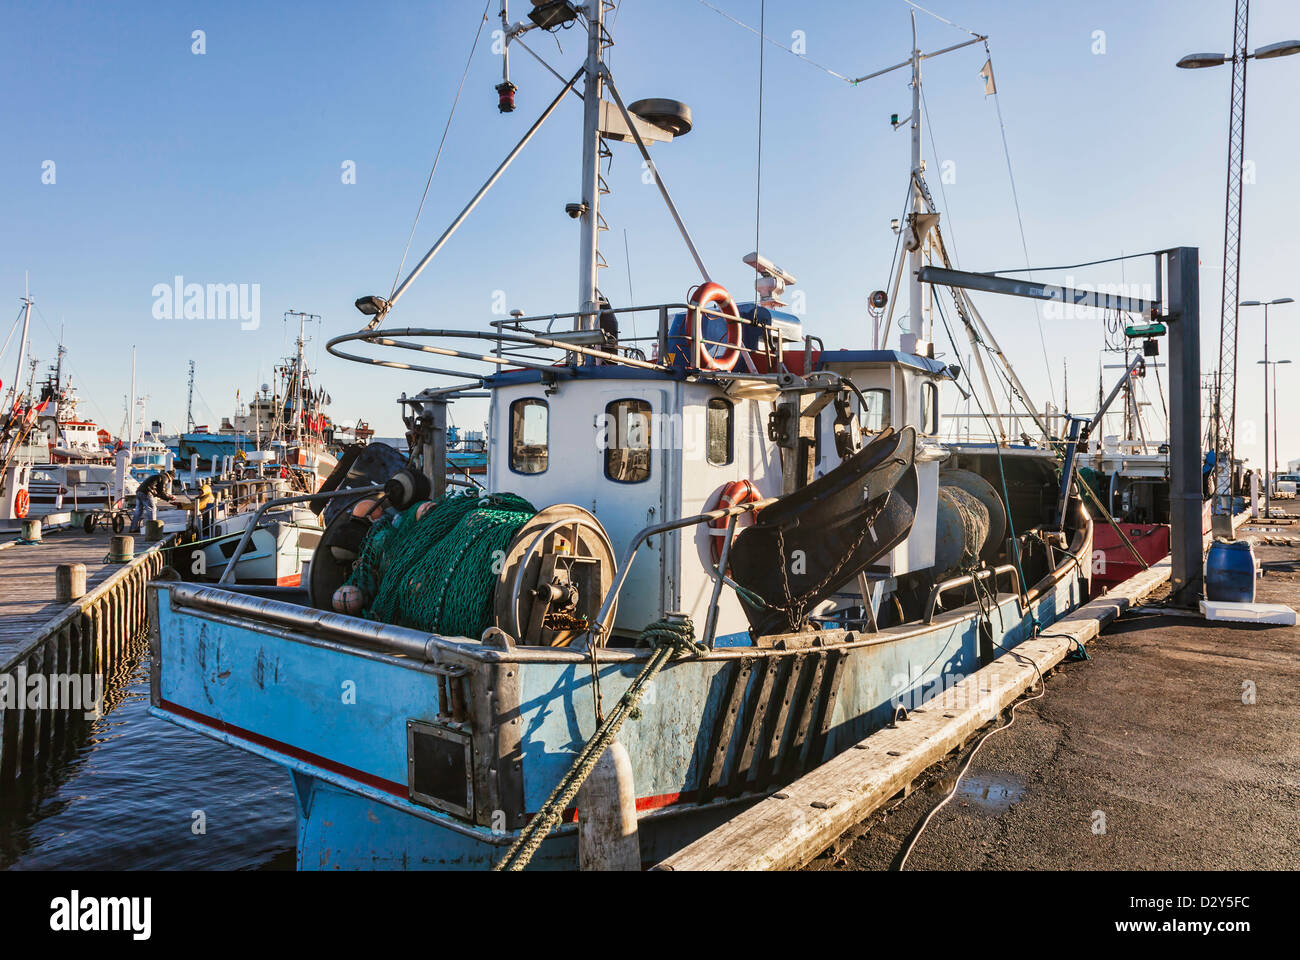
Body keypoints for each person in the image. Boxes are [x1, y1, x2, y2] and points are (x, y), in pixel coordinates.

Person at [130, 469, 176, 533]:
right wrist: (170, 497)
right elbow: (161, 492)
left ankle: (133, 528)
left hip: (139, 492)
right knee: (152, 509)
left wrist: (167, 496)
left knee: (138, 511)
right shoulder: (165, 478)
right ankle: (153, 529)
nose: (170, 482)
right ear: (171, 477)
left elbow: (158, 491)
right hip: (147, 493)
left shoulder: (158, 476)